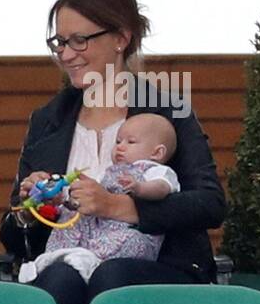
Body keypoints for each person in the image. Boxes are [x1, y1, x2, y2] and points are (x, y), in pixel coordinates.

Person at [0, 0, 226, 304]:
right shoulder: (47, 120)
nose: (66, 54)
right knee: (60, 279)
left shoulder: (170, 111)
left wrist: (118, 206)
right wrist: (32, 207)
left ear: (121, 38)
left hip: (156, 271)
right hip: (67, 272)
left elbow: (209, 204)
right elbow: (14, 235)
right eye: (59, 42)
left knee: (111, 279)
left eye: (79, 40)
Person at [19, 114, 181, 283]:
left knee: (130, 243)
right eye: (118, 142)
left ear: (157, 152)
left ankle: (90, 260)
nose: (120, 147)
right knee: (70, 217)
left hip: (130, 230)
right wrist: (63, 199)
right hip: (100, 229)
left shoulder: (156, 171)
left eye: (130, 142)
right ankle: (60, 255)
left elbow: (162, 188)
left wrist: (139, 188)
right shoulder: (111, 171)